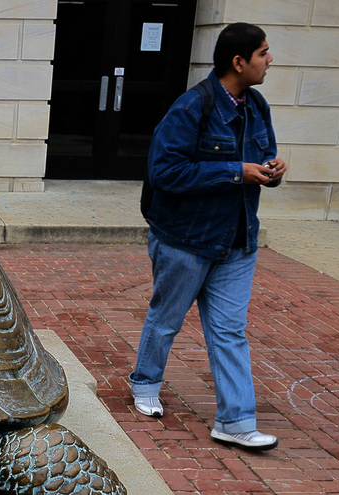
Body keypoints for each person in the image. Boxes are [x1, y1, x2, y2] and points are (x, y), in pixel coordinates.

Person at [130, 22, 287, 452]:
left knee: (230, 331)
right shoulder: (191, 107)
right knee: (166, 321)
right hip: (186, 241)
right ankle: (145, 383)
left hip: (237, 244)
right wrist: (236, 171)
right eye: (263, 53)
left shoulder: (256, 106)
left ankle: (235, 421)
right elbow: (165, 172)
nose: (269, 60)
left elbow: (261, 159)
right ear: (238, 61)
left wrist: (269, 172)